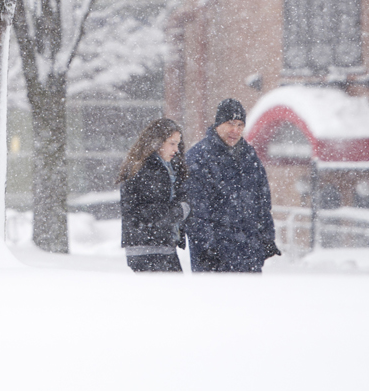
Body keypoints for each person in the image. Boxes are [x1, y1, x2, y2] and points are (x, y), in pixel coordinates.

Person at [183, 98, 281, 273]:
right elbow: (195, 211)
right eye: (230, 124)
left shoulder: (250, 156)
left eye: (240, 125)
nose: (235, 130)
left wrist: (266, 238)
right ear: (218, 124)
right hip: (214, 259)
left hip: (249, 255)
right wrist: (207, 247)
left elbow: (262, 202)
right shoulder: (199, 158)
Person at [119, 118, 190, 273]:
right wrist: (179, 211)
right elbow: (143, 212)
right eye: (172, 143)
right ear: (157, 142)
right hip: (148, 249)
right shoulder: (145, 169)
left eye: (178, 143)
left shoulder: (168, 168)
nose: (176, 149)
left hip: (162, 247)